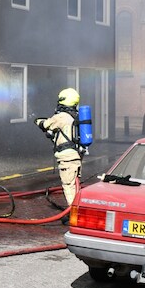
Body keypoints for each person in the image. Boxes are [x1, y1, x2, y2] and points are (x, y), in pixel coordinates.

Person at [35, 87, 84, 217]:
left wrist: (37, 121)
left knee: (69, 186)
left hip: (67, 157)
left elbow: (46, 125)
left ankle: (74, 215)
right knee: (75, 186)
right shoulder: (76, 116)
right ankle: (77, 210)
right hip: (76, 156)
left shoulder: (62, 117)